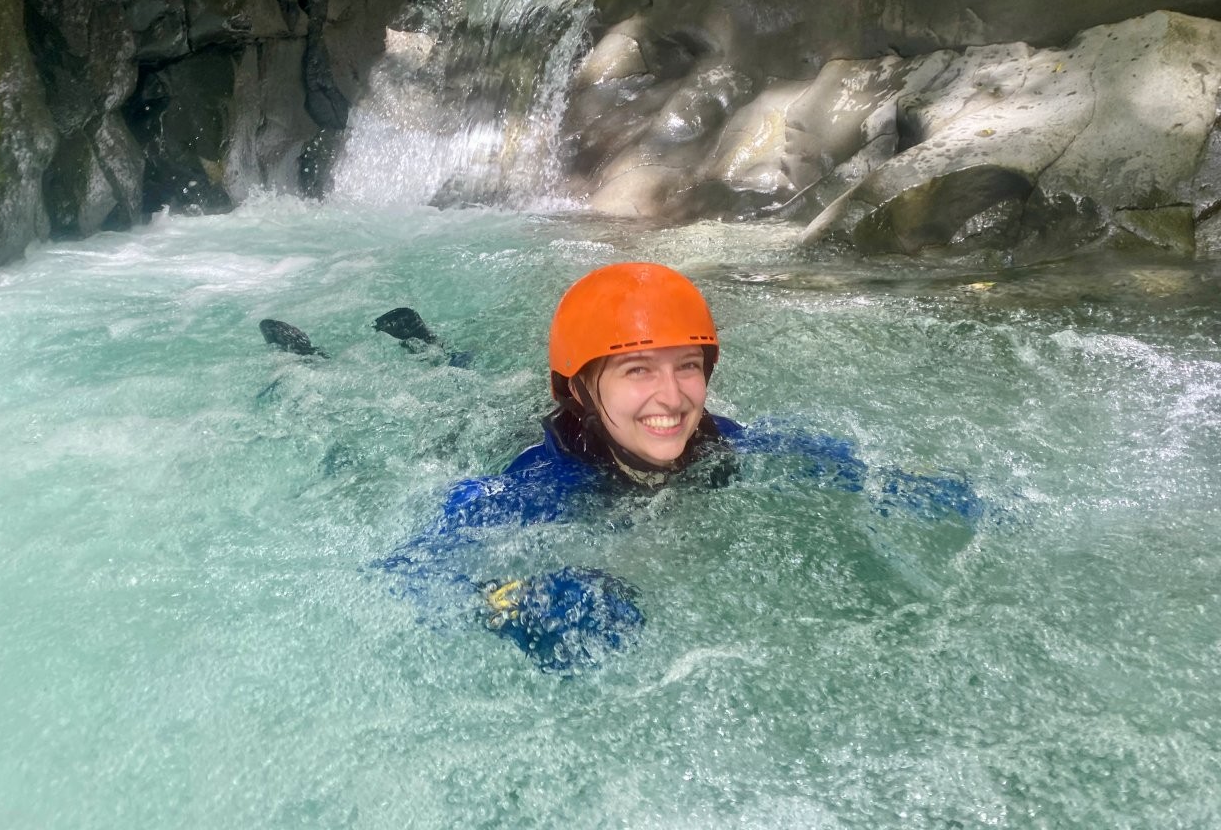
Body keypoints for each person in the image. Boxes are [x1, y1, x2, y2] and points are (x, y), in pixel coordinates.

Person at [381, 262, 990, 673]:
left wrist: (914, 490)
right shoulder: (539, 482)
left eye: (688, 367)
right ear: (582, 389)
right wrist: (507, 603)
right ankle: (431, 351)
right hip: (494, 433)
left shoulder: (721, 442)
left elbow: (829, 461)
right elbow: (405, 570)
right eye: (637, 370)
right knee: (467, 390)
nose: (673, 399)